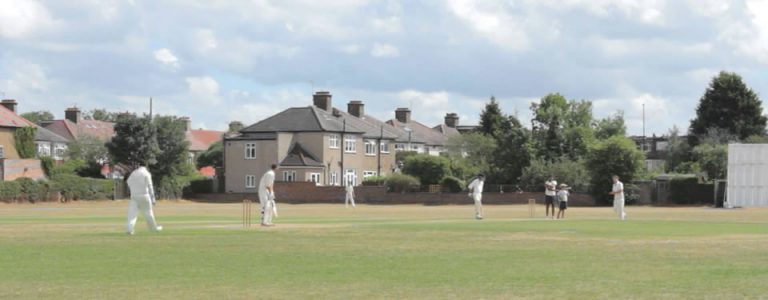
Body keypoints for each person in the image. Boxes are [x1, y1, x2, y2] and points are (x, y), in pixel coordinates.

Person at [125, 165, 162, 235]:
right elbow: (150, 186)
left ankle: (130, 229)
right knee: (148, 213)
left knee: (132, 214)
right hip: (144, 195)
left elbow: (128, 182)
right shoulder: (146, 173)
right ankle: (154, 228)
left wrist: (133, 189)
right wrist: (153, 198)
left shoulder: (133, 173)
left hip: (134, 196)